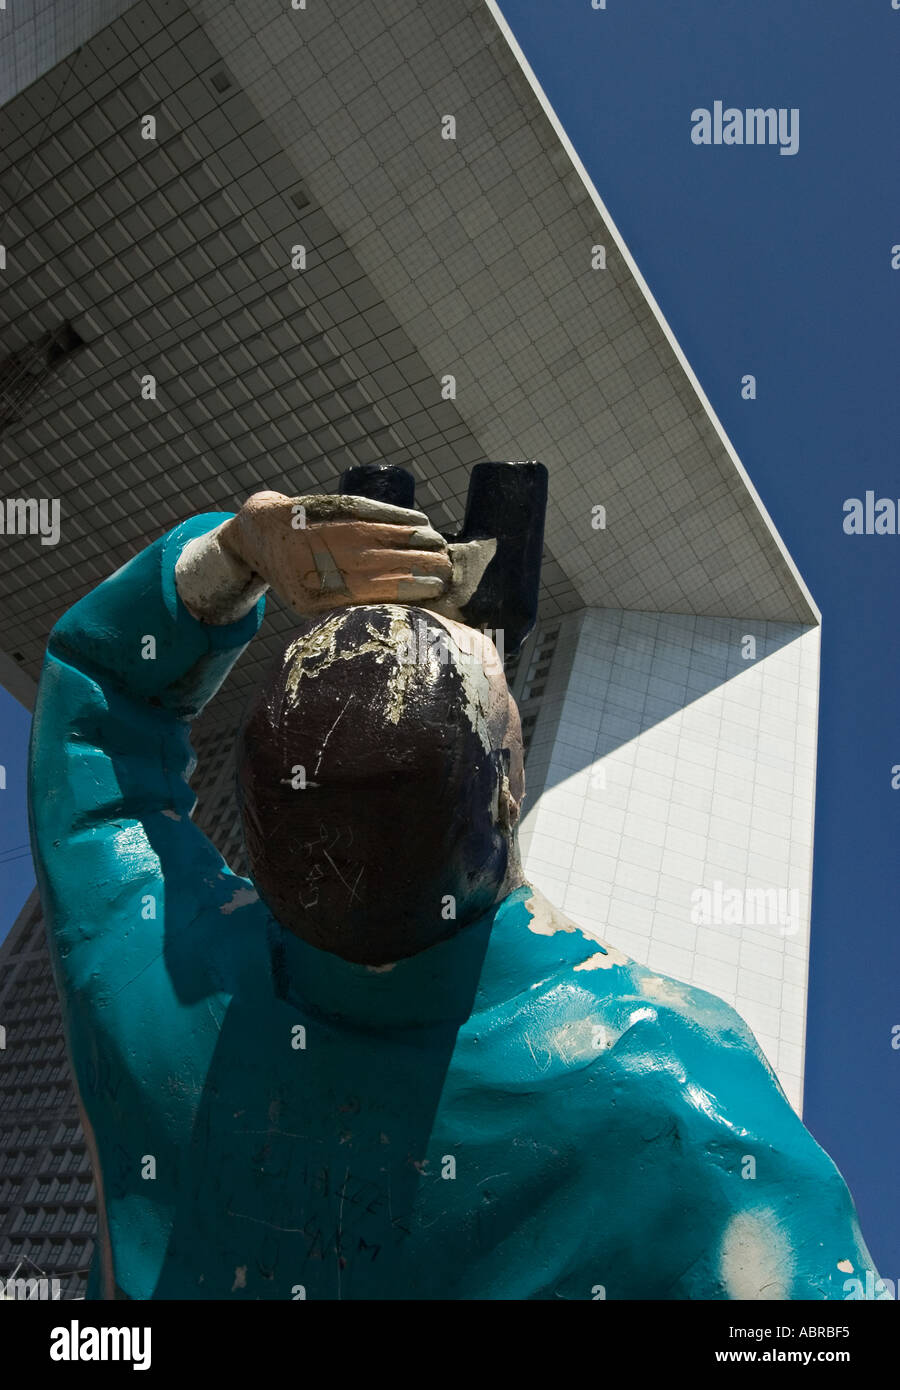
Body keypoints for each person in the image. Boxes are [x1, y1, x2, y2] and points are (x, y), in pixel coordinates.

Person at [28, 491, 877, 1300]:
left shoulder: (149, 977)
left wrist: (240, 550)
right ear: (507, 797)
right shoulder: (679, 1095)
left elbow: (97, 700)